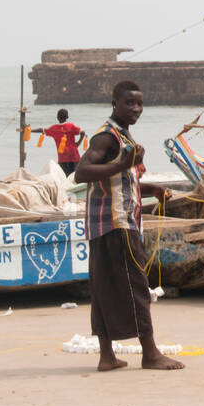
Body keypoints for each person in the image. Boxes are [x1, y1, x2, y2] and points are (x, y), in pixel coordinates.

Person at [75, 80, 183, 372]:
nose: (136, 109)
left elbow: (121, 182)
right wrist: (122, 165)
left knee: (104, 289)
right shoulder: (107, 137)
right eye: (129, 104)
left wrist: (152, 189)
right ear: (114, 103)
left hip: (103, 226)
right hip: (117, 225)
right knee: (136, 286)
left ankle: (107, 356)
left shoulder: (123, 138)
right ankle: (150, 354)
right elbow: (81, 172)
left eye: (139, 104)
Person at [33, 108, 84, 176]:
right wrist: (78, 143)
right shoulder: (71, 126)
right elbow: (82, 132)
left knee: (65, 178)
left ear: (57, 117)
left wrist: (29, 130)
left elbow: (41, 130)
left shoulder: (54, 128)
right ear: (67, 117)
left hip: (63, 159)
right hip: (74, 157)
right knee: (75, 178)